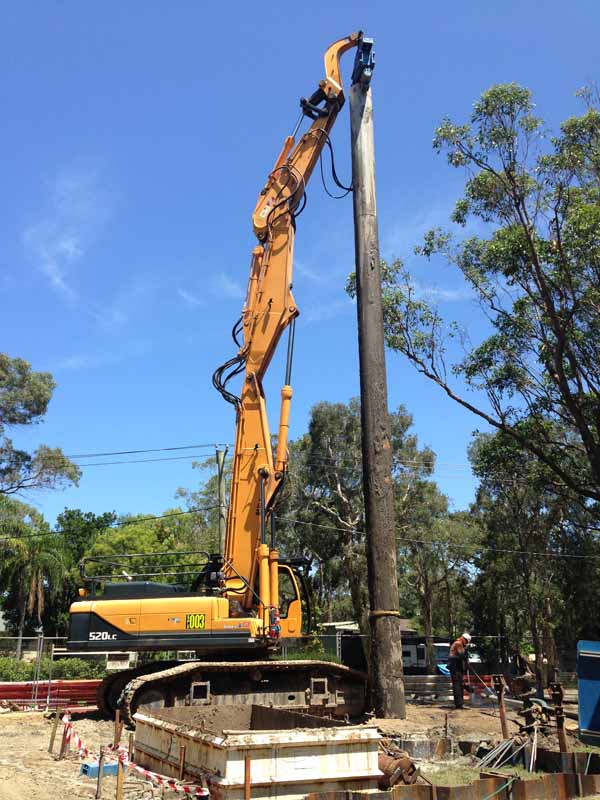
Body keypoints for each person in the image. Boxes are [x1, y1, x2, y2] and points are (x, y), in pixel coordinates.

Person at [448, 632, 471, 709]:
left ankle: (460, 703)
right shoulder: (458, 643)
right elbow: (461, 655)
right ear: (464, 639)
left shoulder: (458, 643)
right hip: (455, 666)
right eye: (467, 642)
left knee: (459, 684)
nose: (466, 643)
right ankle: (459, 704)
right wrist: (465, 655)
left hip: (456, 666)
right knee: (457, 685)